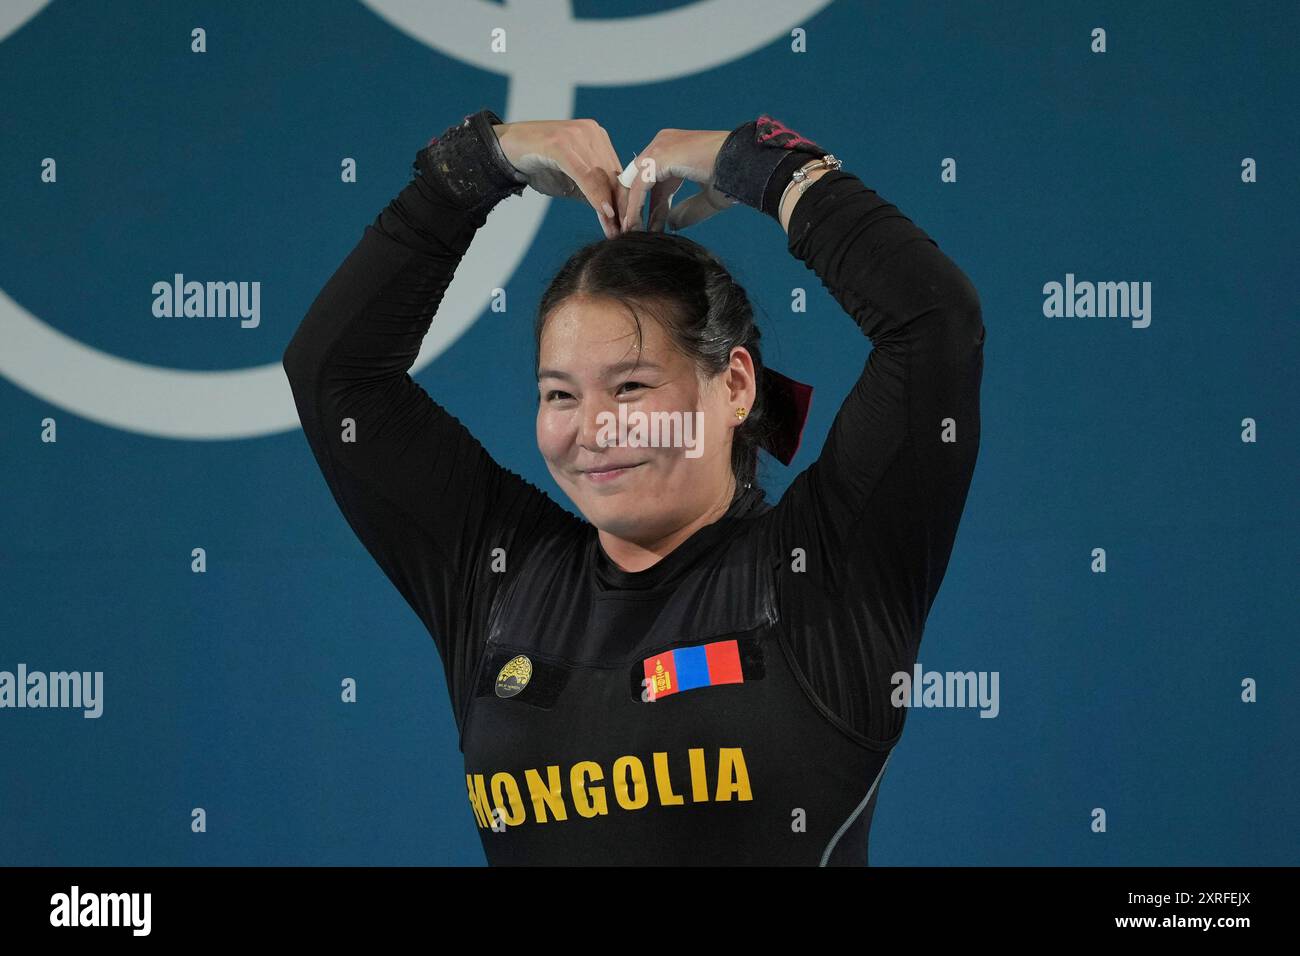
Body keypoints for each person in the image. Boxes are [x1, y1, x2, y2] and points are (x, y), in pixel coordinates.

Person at [282, 108, 985, 865]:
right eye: (559, 394)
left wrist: (762, 165)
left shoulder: (826, 574)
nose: (593, 430)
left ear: (735, 385)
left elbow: (933, 320)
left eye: (631, 387)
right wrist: (480, 165)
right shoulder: (499, 580)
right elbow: (333, 376)